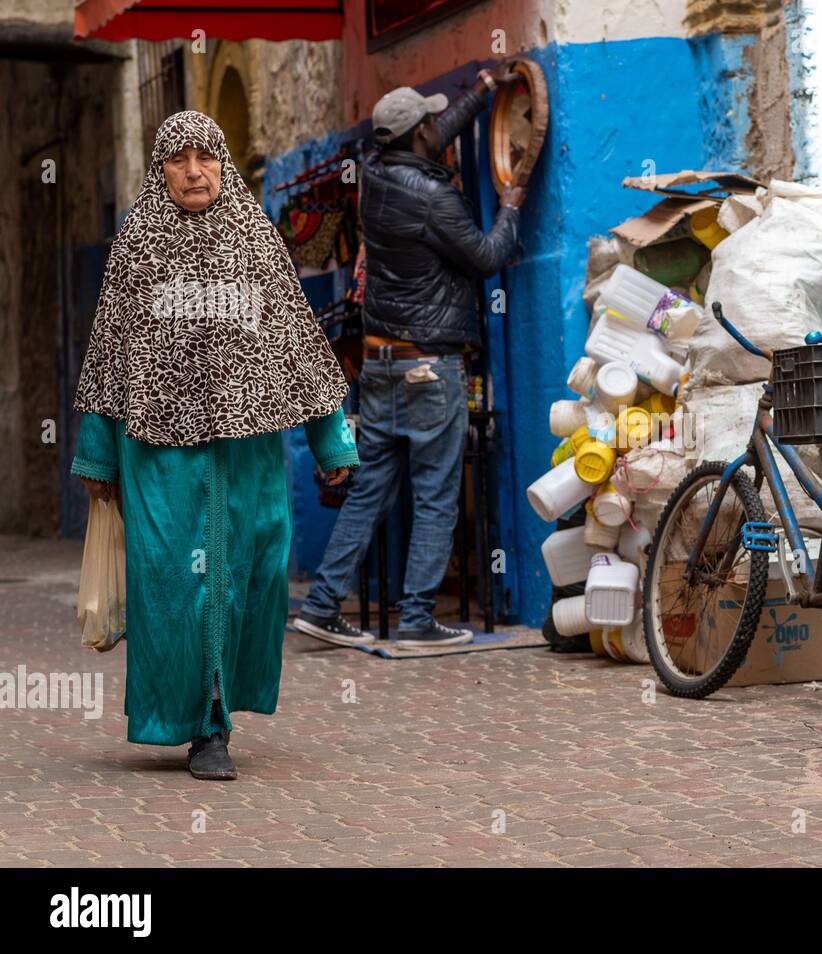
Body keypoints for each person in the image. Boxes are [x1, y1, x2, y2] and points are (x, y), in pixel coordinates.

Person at [72, 111, 359, 780]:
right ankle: (202, 726)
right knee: (173, 581)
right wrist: (98, 455)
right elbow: (108, 352)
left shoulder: (256, 239)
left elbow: (296, 339)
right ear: (161, 168)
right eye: (180, 159)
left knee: (245, 576)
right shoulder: (136, 243)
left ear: (222, 163)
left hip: (245, 452)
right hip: (160, 454)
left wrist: (331, 440)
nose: (194, 169)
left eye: (206, 156)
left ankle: (219, 714)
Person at [294, 69, 525, 650]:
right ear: (418, 136)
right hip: (429, 367)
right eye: (430, 123)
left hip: (381, 365)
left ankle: (322, 604)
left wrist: (480, 92)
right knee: (437, 494)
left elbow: (432, 131)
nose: (436, 128)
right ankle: (419, 618)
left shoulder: (375, 176)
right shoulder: (434, 197)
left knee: (370, 489)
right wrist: (512, 208)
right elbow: (485, 257)